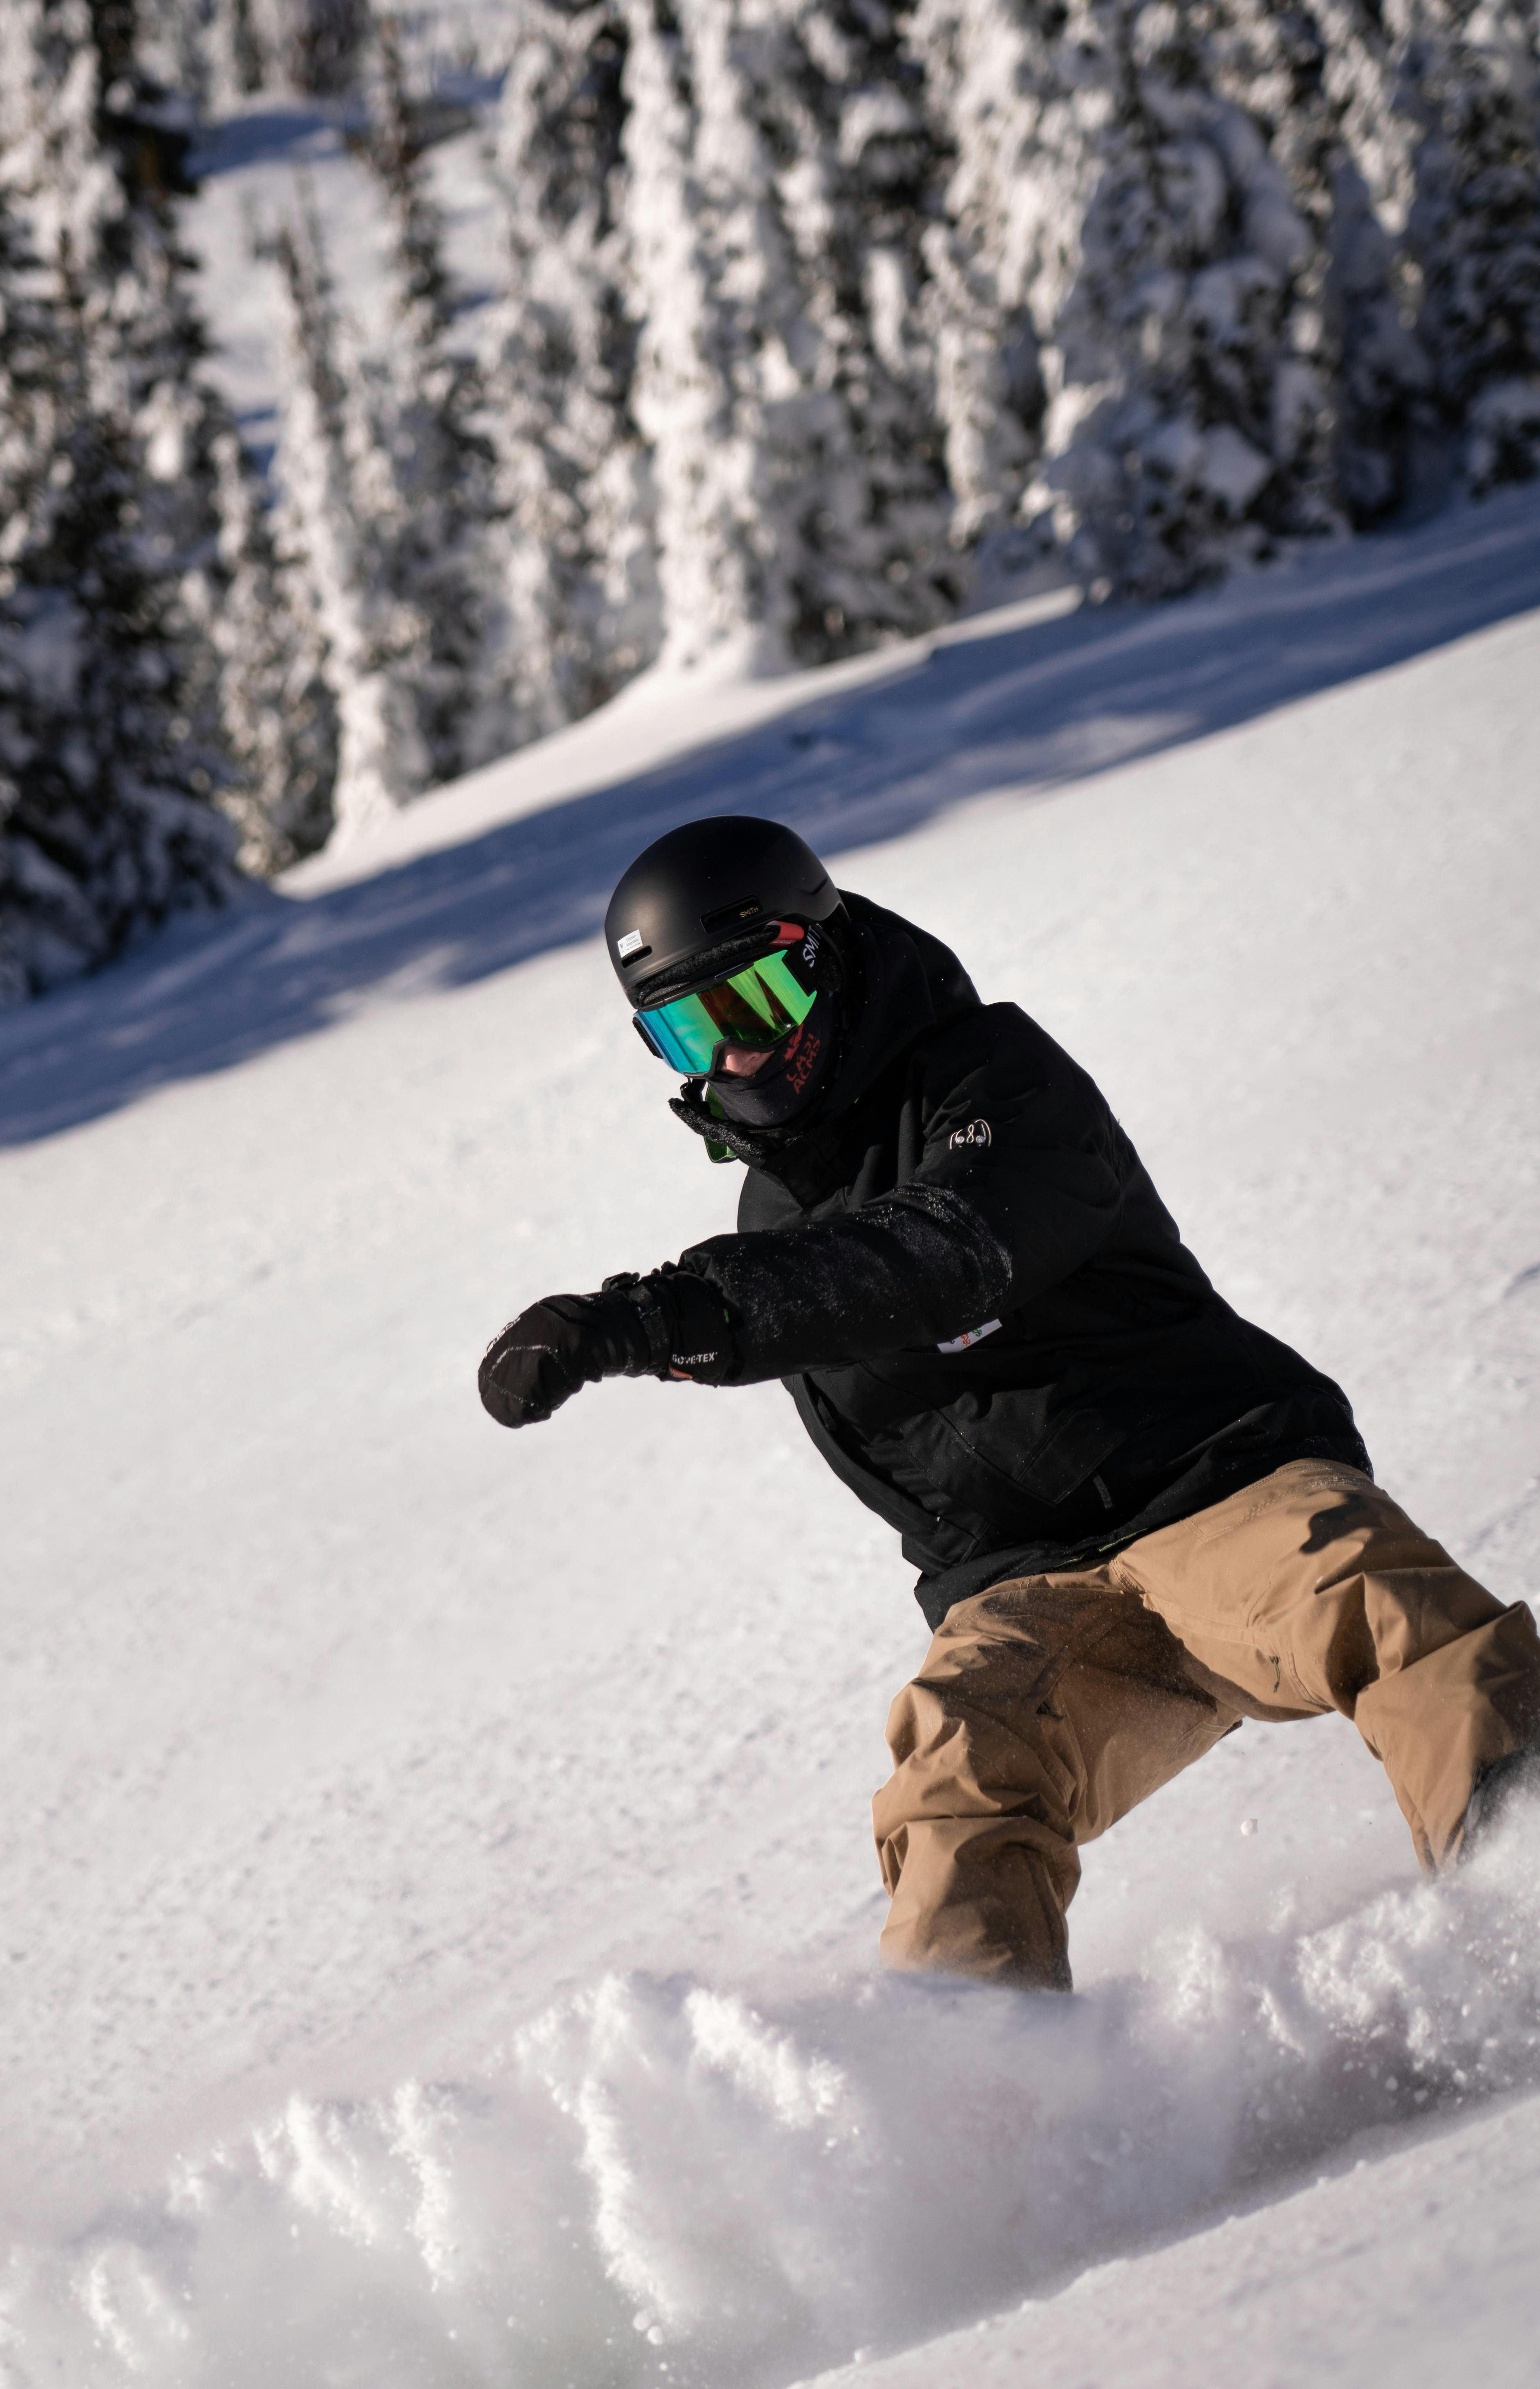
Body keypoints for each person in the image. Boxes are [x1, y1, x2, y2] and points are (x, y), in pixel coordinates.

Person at [477, 815, 1540, 1990]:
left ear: (822, 957)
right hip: (1033, 1588)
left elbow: (944, 1252)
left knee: (1365, 1595)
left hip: (1214, 1487)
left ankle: (1526, 1878)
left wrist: (658, 1316)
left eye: (755, 1002)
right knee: (951, 1775)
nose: (728, 1057)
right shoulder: (770, 1228)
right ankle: (988, 2116)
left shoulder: (995, 1080)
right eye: (685, 1027)